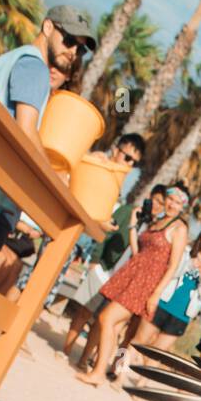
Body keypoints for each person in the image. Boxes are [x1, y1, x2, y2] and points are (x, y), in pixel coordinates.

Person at [0, 4, 96, 255]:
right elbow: (25, 129)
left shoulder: (15, 57)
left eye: (79, 49)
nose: (73, 52)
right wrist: (54, 181)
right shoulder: (35, 66)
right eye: (69, 40)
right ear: (47, 27)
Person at [77, 182, 190, 388]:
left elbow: (173, 265)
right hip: (132, 274)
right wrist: (132, 225)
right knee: (116, 326)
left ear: (183, 206)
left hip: (146, 284)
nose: (172, 204)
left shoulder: (179, 228)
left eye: (177, 202)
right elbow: (139, 251)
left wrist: (156, 293)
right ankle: (104, 369)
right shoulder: (157, 221)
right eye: (170, 199)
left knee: (118, 327)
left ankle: (108, 372)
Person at [61, 134, 146, 357]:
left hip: (85, 245)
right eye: (126, 156)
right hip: (69, 234)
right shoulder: (98, 162)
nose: (127, 164)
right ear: (116, 148)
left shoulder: (118, 188)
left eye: (133, 162)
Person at [132, 224, 201, 354]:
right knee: (138, 341)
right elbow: (172, 271)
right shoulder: (185, 251)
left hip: (182, 315)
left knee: (157, 353)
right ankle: (118, 370)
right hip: (162, 303)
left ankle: (136, 373)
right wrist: (189, 264)